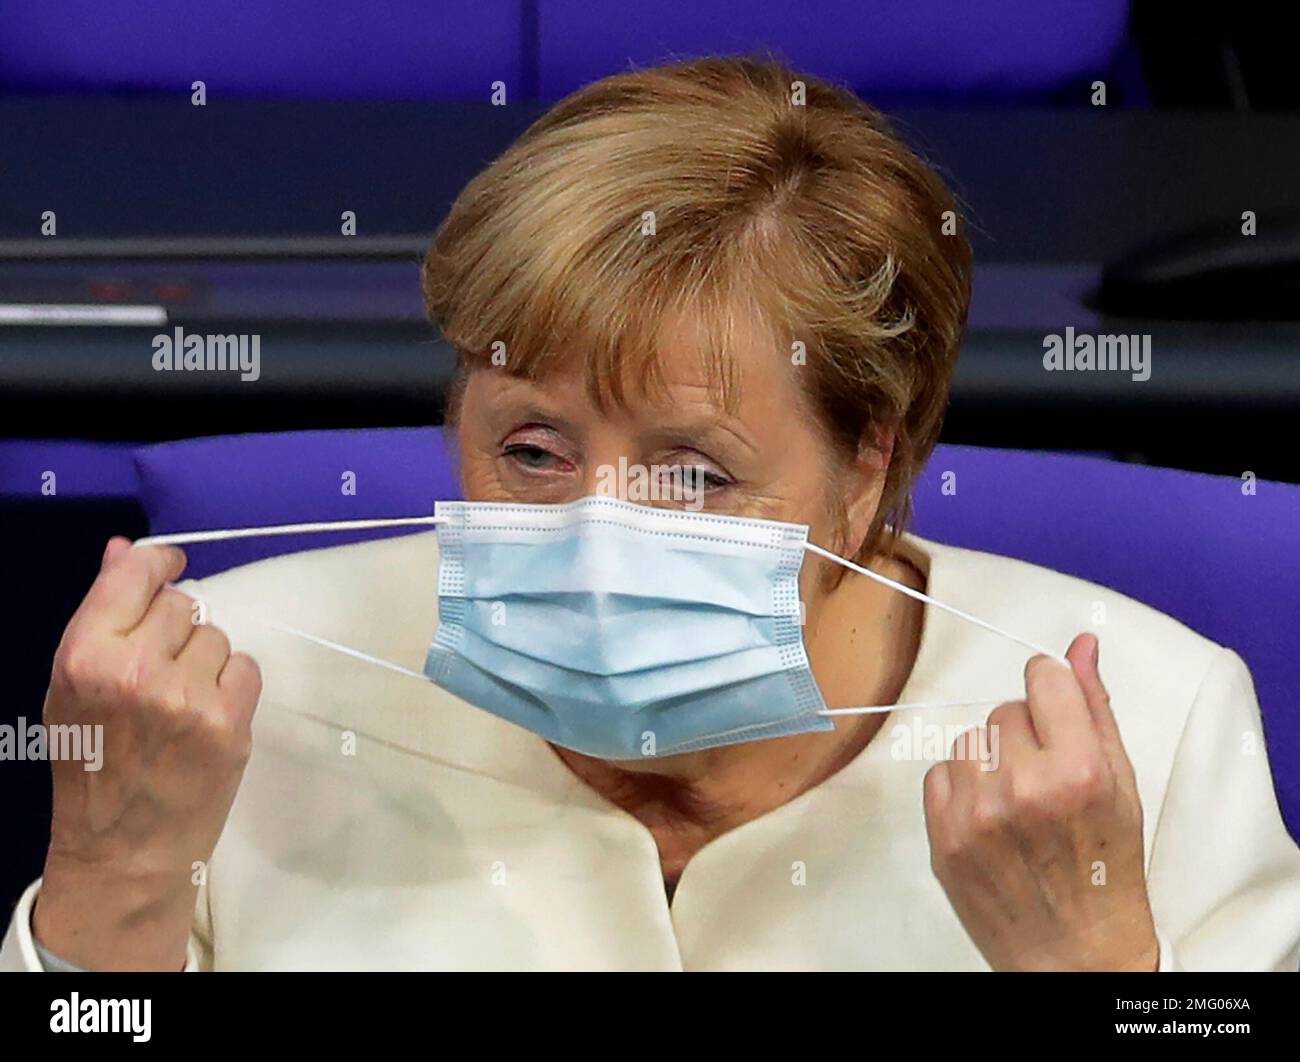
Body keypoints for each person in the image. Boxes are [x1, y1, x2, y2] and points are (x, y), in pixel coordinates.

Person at [5, 56, 1299, 972]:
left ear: (866, 471)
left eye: (695, 473)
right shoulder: (217, 706)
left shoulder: (1153, 729)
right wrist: (114, 887)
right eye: (532, 448)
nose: (598, 533)